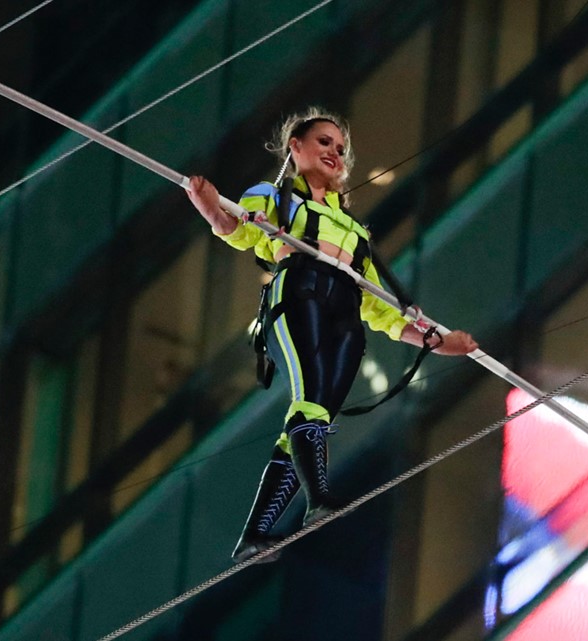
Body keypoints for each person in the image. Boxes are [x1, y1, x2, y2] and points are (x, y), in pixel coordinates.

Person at [186, 109, 477, 564]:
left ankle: (256, 534)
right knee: (308, 402)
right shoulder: (272, 199)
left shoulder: (356, 230)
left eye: (340, 149)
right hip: (299, 296)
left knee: (314, 412)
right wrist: (208, 205)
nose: (334, 153)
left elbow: (383, 313)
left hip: (346, 319)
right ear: (295, 148)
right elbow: (234, 229)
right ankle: (319, 499)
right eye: (323, 142)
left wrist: (442, 343)